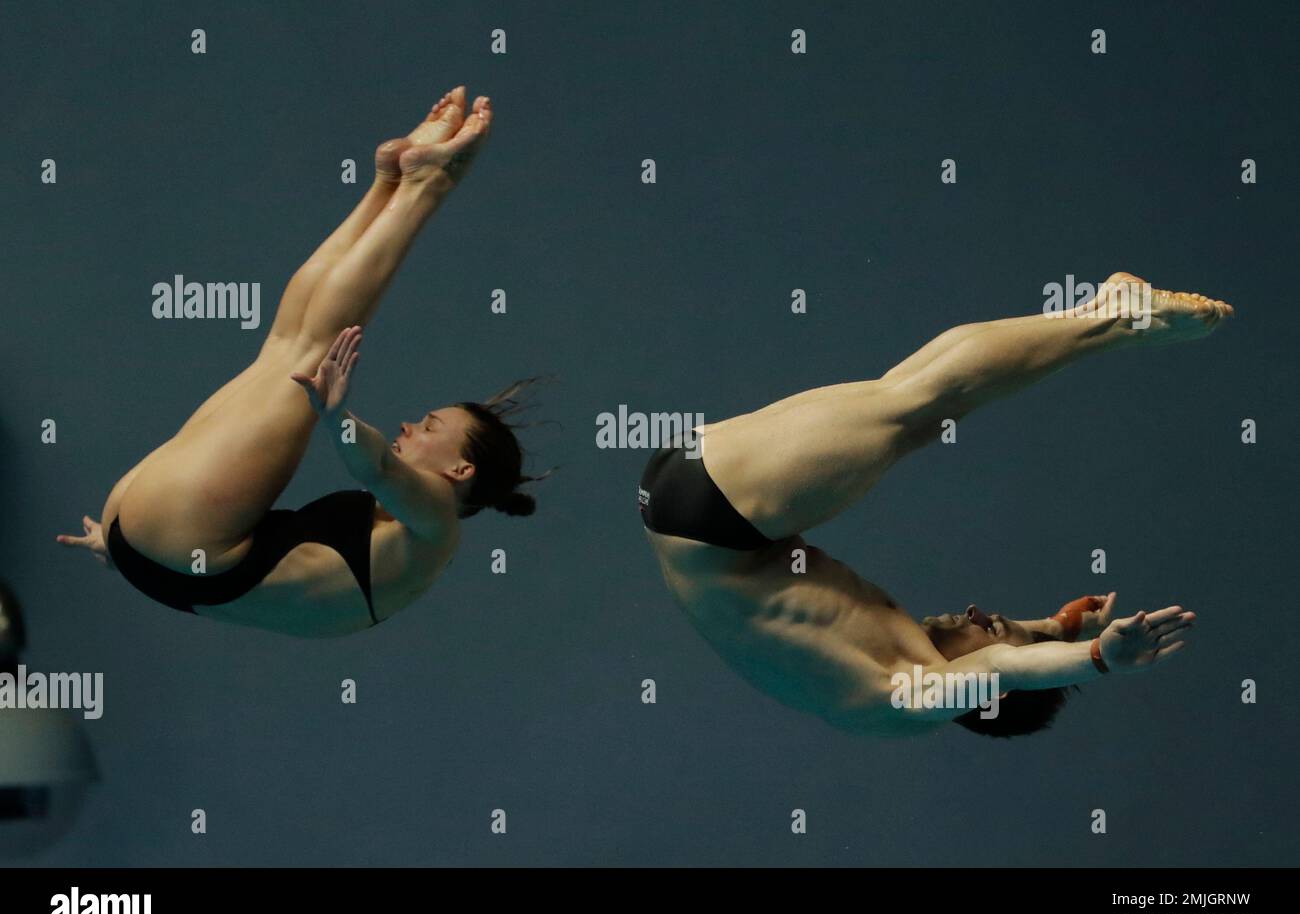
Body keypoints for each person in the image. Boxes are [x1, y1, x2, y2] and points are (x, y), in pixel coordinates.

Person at [639, 274, 1229, 736]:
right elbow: (1001, 655)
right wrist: (1060, 628)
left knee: (913, 403)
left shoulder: (907, 694)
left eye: (994, 627)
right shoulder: (905, 682)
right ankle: (1099, 315)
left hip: (719, 512)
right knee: (917, 409)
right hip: (700, 508)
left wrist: (1098, 659)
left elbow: (1001, 667)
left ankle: (1117, 317)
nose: (978, 611)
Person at [58, 87, 544, 638]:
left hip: (181, 550)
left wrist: (338, 419)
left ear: (461, 471)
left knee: (302, 349)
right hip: (159, 556)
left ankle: (427, 182)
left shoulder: (436, 527)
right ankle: (392, 181)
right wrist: (129, 550)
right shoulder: (407, 537)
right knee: (287, 346)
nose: (411, 424)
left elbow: (377, 467)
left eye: (431, 427)